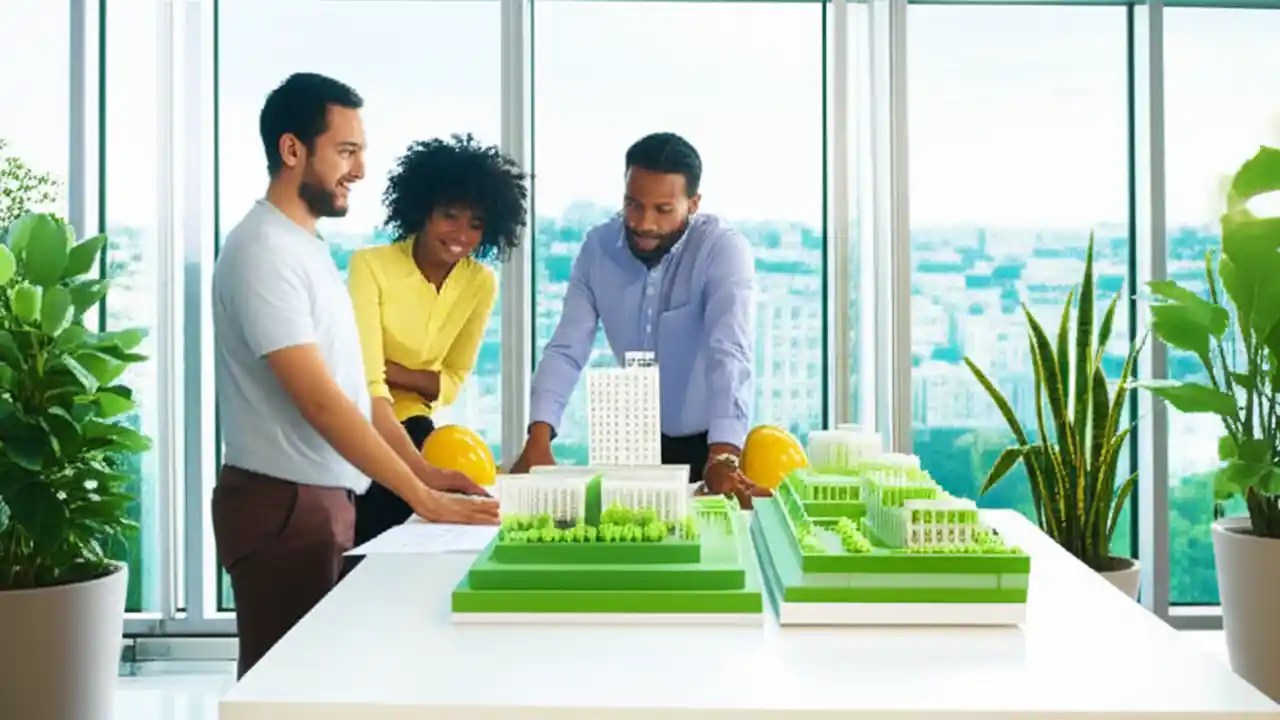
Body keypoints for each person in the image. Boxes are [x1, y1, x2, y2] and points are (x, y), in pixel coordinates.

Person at [210, 73, 498, 679]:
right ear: (293, 151)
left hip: (317, 507)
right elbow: (319, 401)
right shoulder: (263, 251)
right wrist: (420, 497)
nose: (361, 169)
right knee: (284, 694)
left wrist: (424, 474)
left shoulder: (304, 247)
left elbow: (360, 394)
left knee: (322, 687)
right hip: (283, 508)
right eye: (346, 151)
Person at [510, 132, 769, 507]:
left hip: (711, 444)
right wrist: (537, 440)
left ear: (693, 204)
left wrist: (724, 457)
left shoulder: (723, 249)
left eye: (663, 209)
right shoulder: (598, 248)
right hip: (632, 443)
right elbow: (567, 350)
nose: (643, 222)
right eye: (633, 204)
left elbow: (728, 352)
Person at [348, 134, 528, 546]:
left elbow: (451, 383)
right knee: (376, 531)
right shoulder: (370, 266)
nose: (461, 234)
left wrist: (388, 370)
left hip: (414, 426)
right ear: (422, 210)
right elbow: (367, 389)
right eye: (449, 215)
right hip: (361, 424)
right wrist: (421, 473)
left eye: (476, 224)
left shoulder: (480, 283)